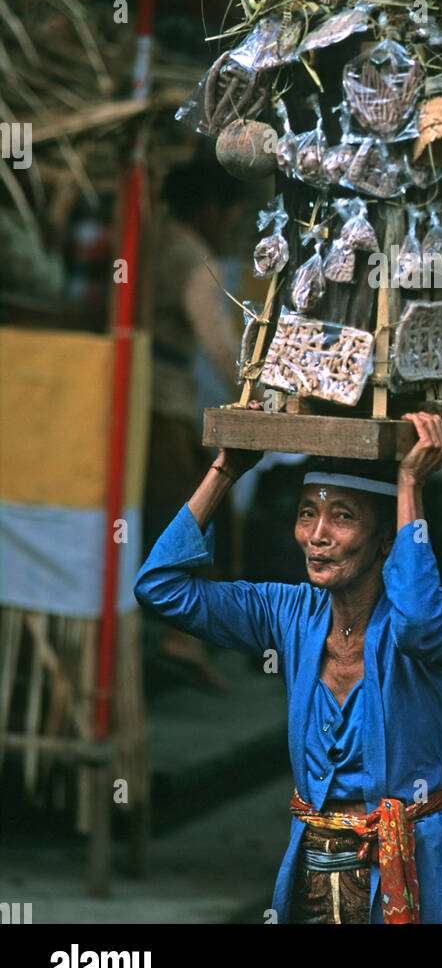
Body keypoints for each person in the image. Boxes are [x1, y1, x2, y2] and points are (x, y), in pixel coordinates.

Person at [134, 411, 442, 924]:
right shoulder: (287, 612)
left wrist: (410, 484)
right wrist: (226, 471)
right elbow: (160, 588)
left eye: (342, 517)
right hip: (313, 876)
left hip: (413, 871)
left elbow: (416, 623)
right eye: (306, 514)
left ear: (387, 538)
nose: (316, 535)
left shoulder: (431, 615)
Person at [143, 156, 246, 691]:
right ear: (211, 209)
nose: (231, 224)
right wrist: (251, 396)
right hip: (161, 400)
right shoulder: (194, 258)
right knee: (191, 516)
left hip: (139, 394)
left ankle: (175, 637)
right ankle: (180, 638)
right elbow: (221, 347)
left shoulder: (153, 238)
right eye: (229, 213)